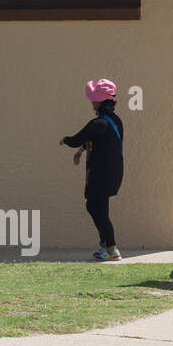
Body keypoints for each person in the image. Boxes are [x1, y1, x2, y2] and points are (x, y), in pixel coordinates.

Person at [59, 79, 125, 261]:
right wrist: (82, 150)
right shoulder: (115, 121)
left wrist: (65, 139)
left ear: (99, 101)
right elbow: (98, 142)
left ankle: (111, 248)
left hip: (101, 173)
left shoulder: (98, 124)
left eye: (93, 98)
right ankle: (105, 247)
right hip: (114, 171)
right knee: (101, 208)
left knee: (94, 206)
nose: (91, 101)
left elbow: (76, 138)